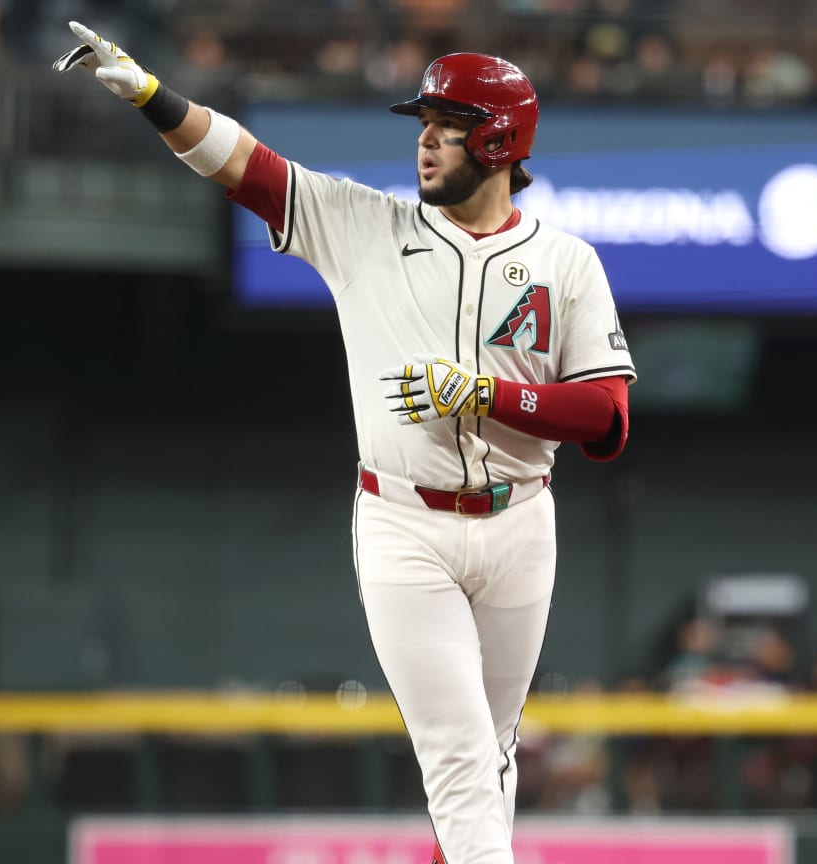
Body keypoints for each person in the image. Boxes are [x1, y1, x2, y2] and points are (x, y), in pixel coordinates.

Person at [54, 24, 636, 864]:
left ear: (500, 139)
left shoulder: (567, 262)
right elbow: (249, 168)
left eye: (448, 124)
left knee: (492, 754)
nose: (426, 140)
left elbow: (607, 419)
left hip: (521, 522)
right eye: (424, 123)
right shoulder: (366, 226)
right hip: (405, 524)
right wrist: (152, 97)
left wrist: (485, 394)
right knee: (460, 753)